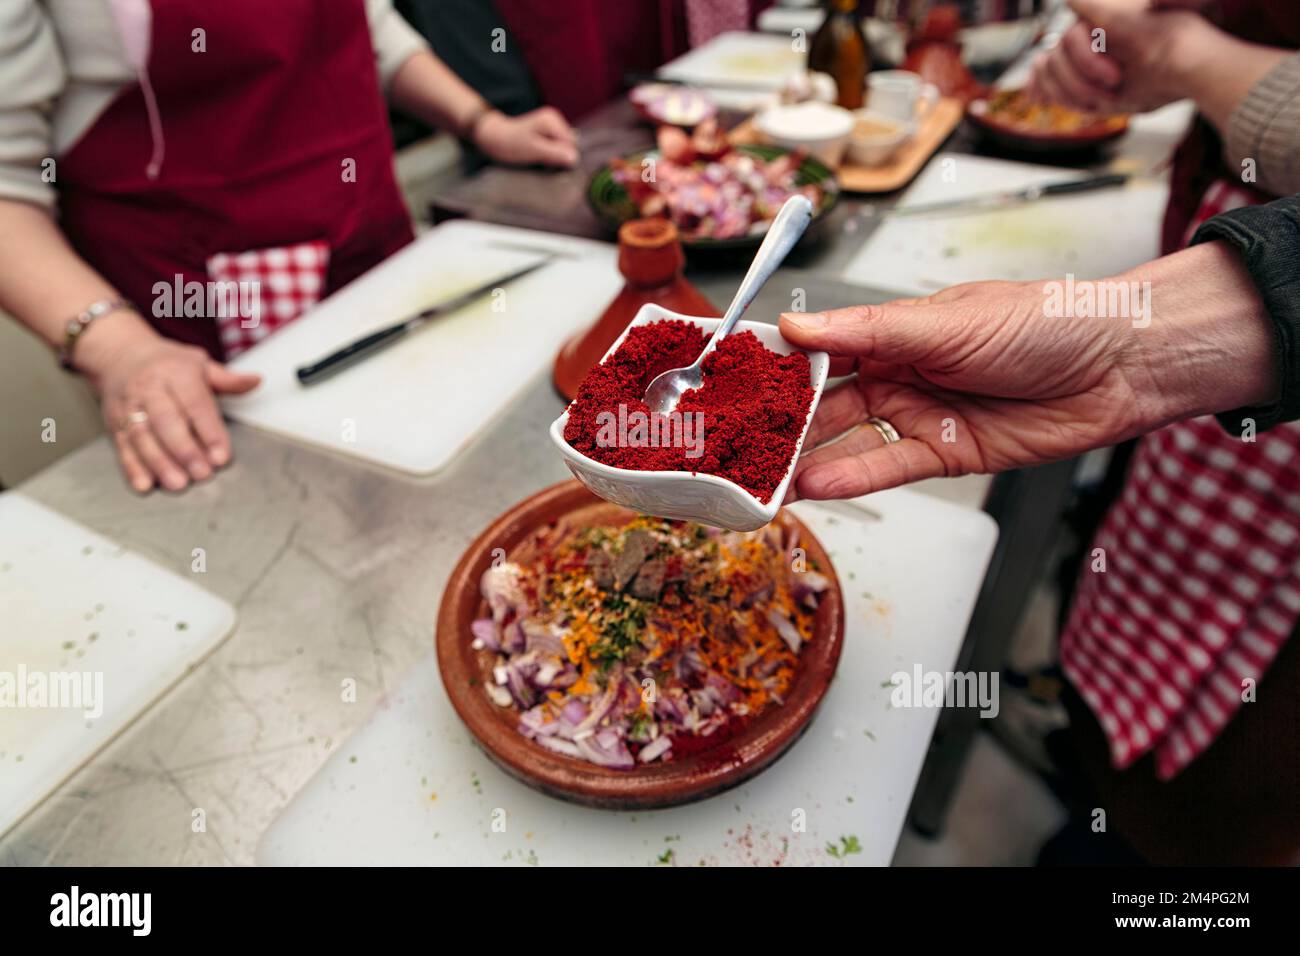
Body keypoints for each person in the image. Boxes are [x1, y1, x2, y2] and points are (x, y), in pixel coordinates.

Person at [0, 0, 578, 494]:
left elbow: (367, 23)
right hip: (196, 301)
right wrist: (122, 351)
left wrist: (482, 123)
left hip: (368, 238)